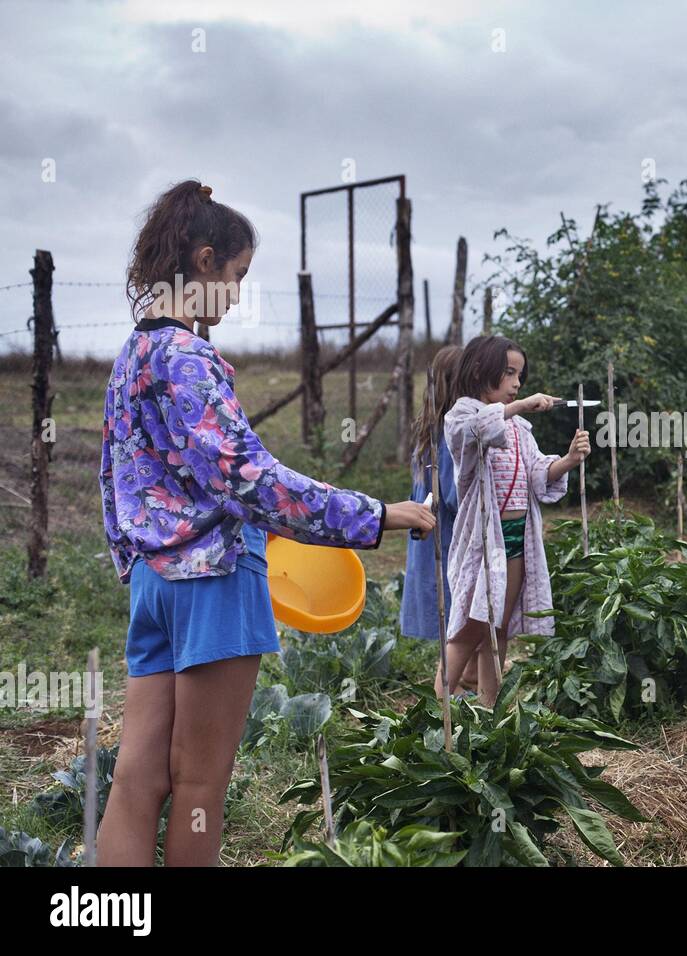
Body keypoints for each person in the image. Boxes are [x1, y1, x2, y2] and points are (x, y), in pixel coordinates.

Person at [97, 180, 433, 866]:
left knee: (137, 777)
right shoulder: (188, 358)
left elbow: (115, 477)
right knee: (199, 783)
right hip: (215, 581)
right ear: (203, 260)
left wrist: (137, 559)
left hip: (153, 586)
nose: (239, 294)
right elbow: (251, 479)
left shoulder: (130, 357)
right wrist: (378, 514)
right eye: (238, 275)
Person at [439, 335, 589, 707]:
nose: (516, 383)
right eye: (509, 373)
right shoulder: (463, 415)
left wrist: (568, 460)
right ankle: (435, 705)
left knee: (498, 626)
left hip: (517, 540)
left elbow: (538, 475)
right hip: (483, 543)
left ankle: (490, 707)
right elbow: (471, 432)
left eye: (519, 375)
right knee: (470, 627)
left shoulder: (521, 428)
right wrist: (521, 405)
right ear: (479, 371)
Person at [400, 345, 476, 693]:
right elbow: (453, 495)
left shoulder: (428, 429)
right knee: (459, 622)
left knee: (456, 624)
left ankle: (462, 689)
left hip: (430, 536)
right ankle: (451, 695)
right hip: (448, 540)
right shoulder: (451, 435)